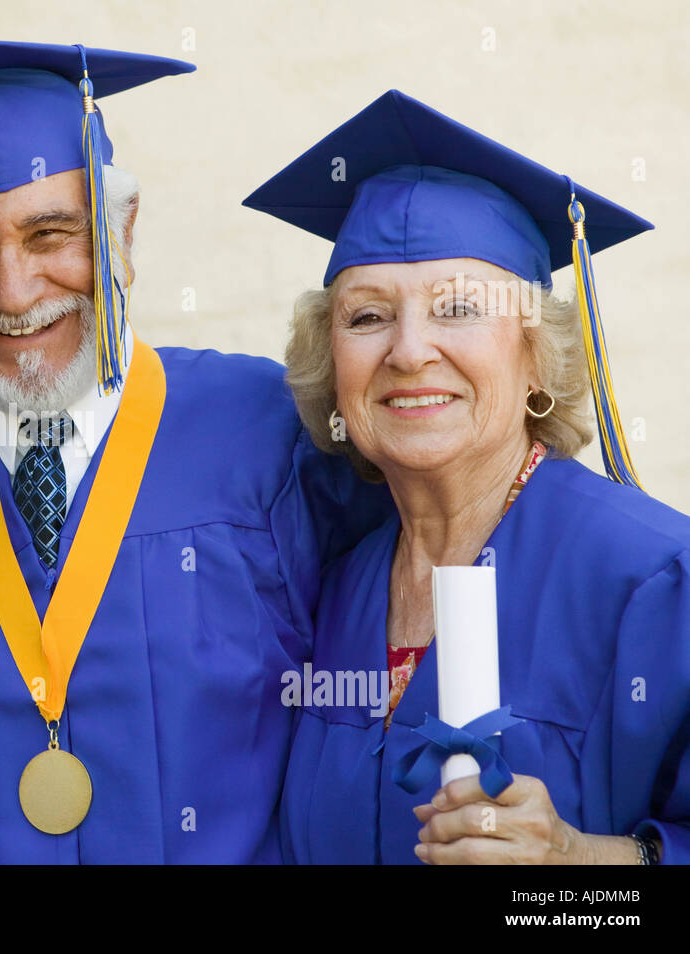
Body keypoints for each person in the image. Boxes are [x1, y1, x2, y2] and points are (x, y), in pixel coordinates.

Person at [0, 40, 392, 863]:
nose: (12, 291)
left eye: (50, 234)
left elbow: (451, 586)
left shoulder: (281, 436)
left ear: (122, 230)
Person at [244, 89, 690, 864]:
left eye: (457, 309)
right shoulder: (336, 587)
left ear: (535, 358)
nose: (410, 351)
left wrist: (584, 866)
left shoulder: (652, 581)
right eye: (367, 317)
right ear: (333, 367)